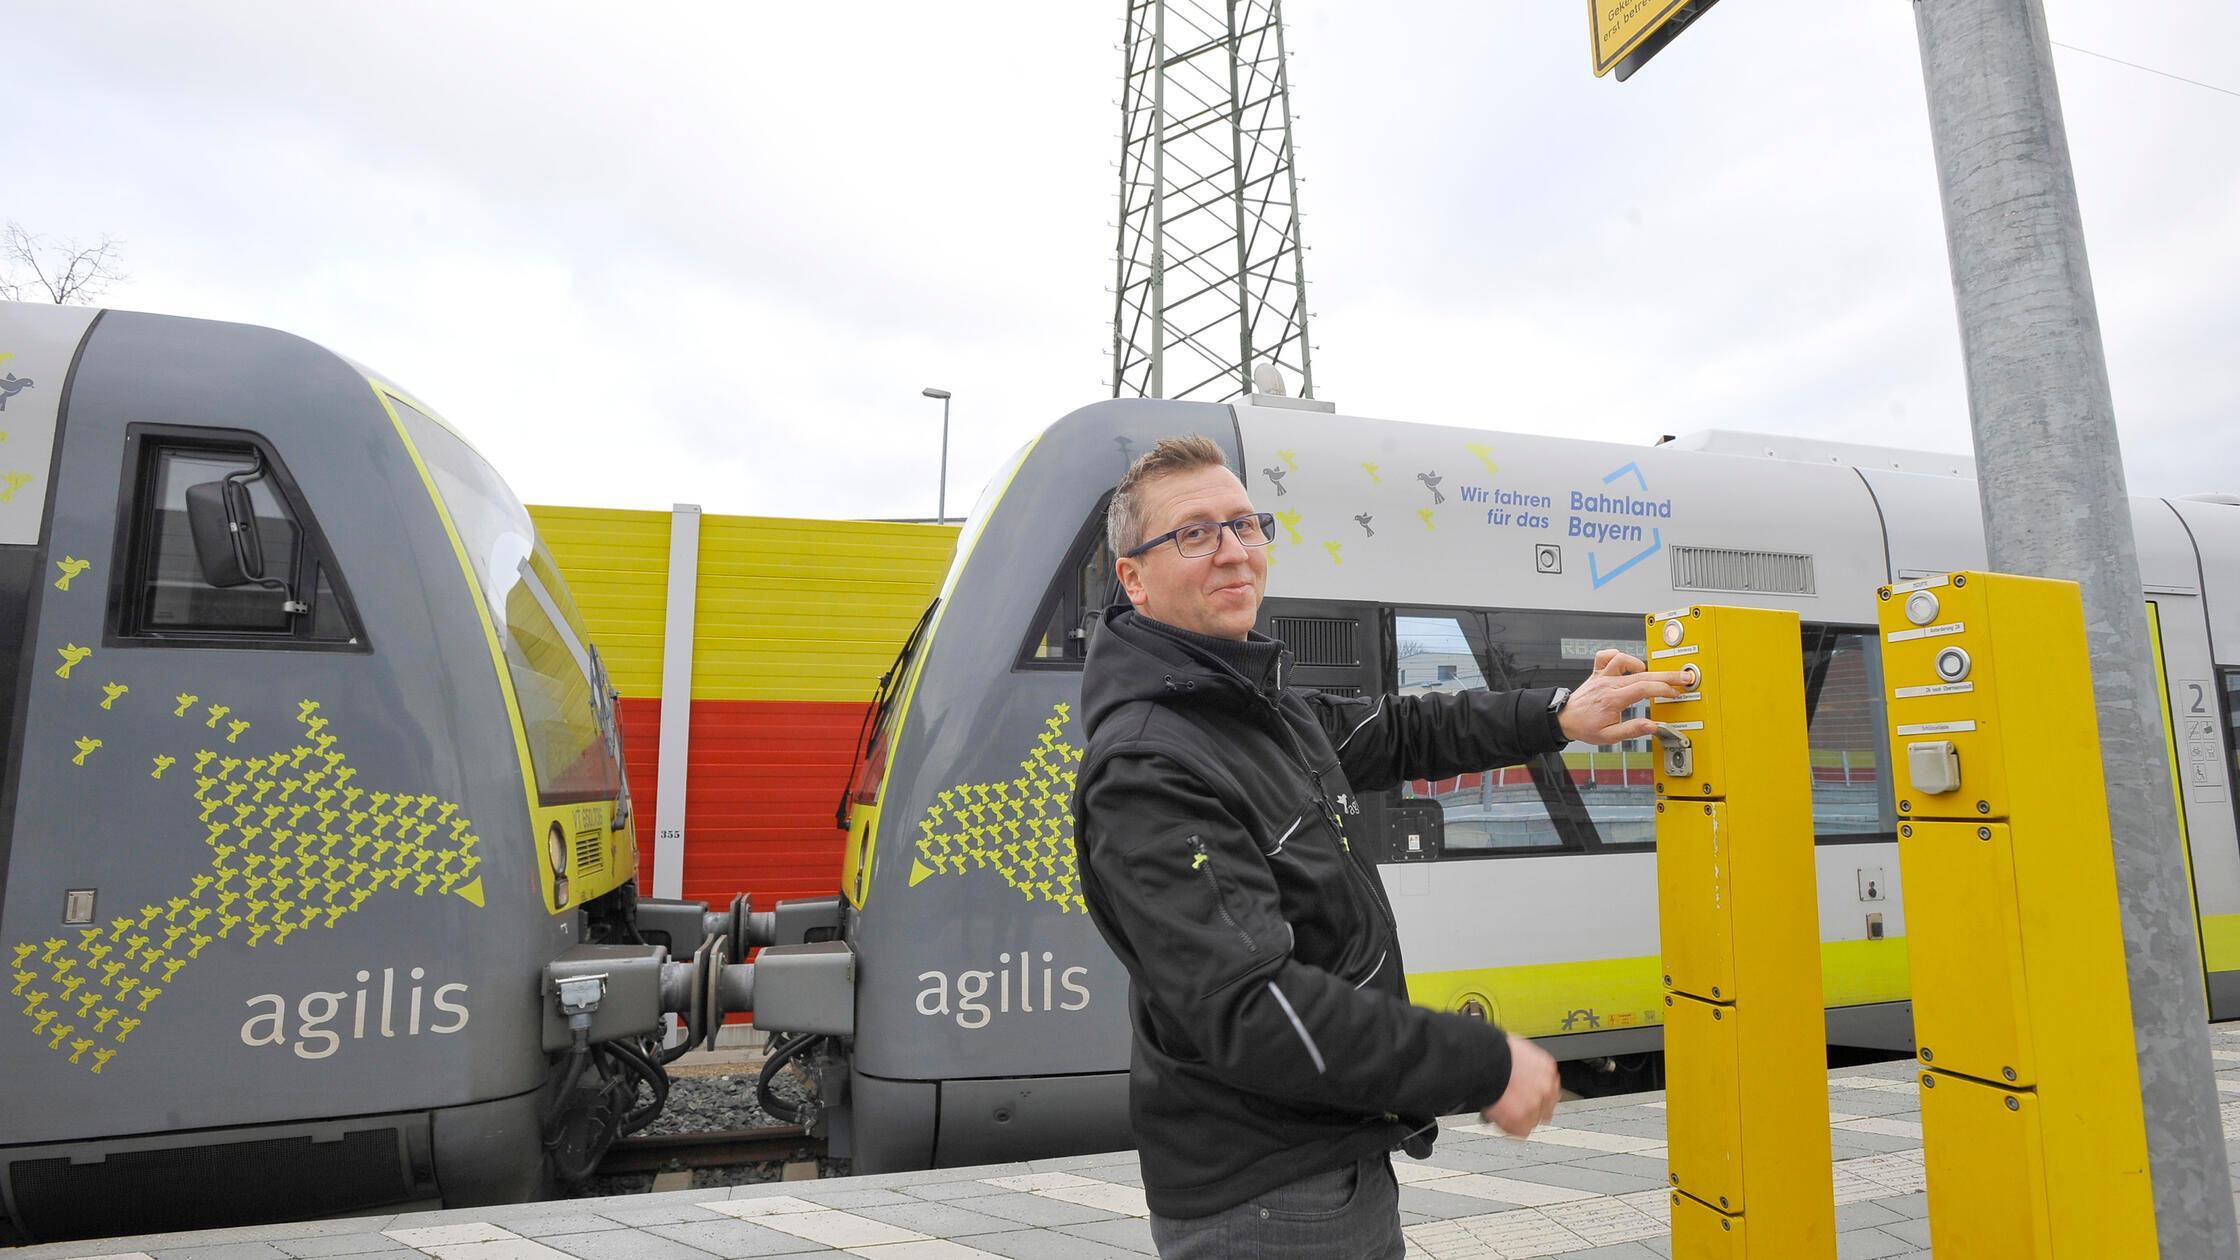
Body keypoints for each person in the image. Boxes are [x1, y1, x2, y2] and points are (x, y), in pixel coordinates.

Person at [1071, 436, 1686, 1259]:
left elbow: (1400, 728)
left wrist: (1558, 714)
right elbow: (1256, 1010)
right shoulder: (1151, 766)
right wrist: (1482, 1061)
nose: (1234, 553)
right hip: (1268, 1202)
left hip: (1325, 1167)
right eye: (1195, 533)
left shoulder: (1257, 708)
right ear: (1134, 578)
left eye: (1246, 526)